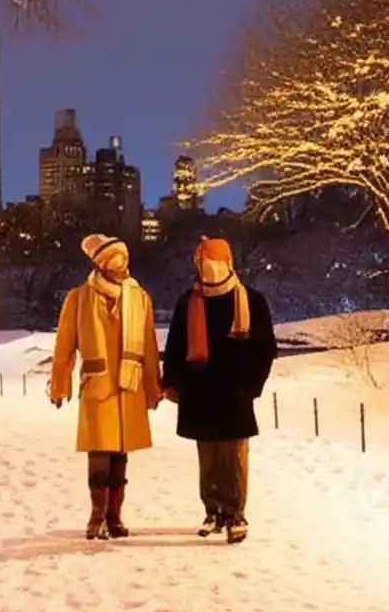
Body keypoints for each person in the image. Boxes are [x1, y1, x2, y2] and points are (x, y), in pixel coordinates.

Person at [161, 236, 277, 544]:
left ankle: (236, 512)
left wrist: (252, 385)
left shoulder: (250, 300)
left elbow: (265, 348)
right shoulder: (188, 302)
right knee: (208, 456)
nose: (208, 270)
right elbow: (174, 345)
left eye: (213, 263)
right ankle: (213, 510)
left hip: (235, 392)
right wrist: (171, 382)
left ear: (228, 264)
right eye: (202, 264)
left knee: (234, 455)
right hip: (198, 391)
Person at [49, 233, 163, 540]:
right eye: (113, 259)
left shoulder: (139, 298)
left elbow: (150, 347)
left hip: (129, 384)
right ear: (101, 263)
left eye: (123, 258)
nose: (120, 264)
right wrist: (59, 382)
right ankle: (97, 515)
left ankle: (115, 516)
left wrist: (153, 385)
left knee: (120, 454)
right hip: (98, 385)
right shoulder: (79, 297)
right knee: (99, 453)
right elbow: (64, 345)